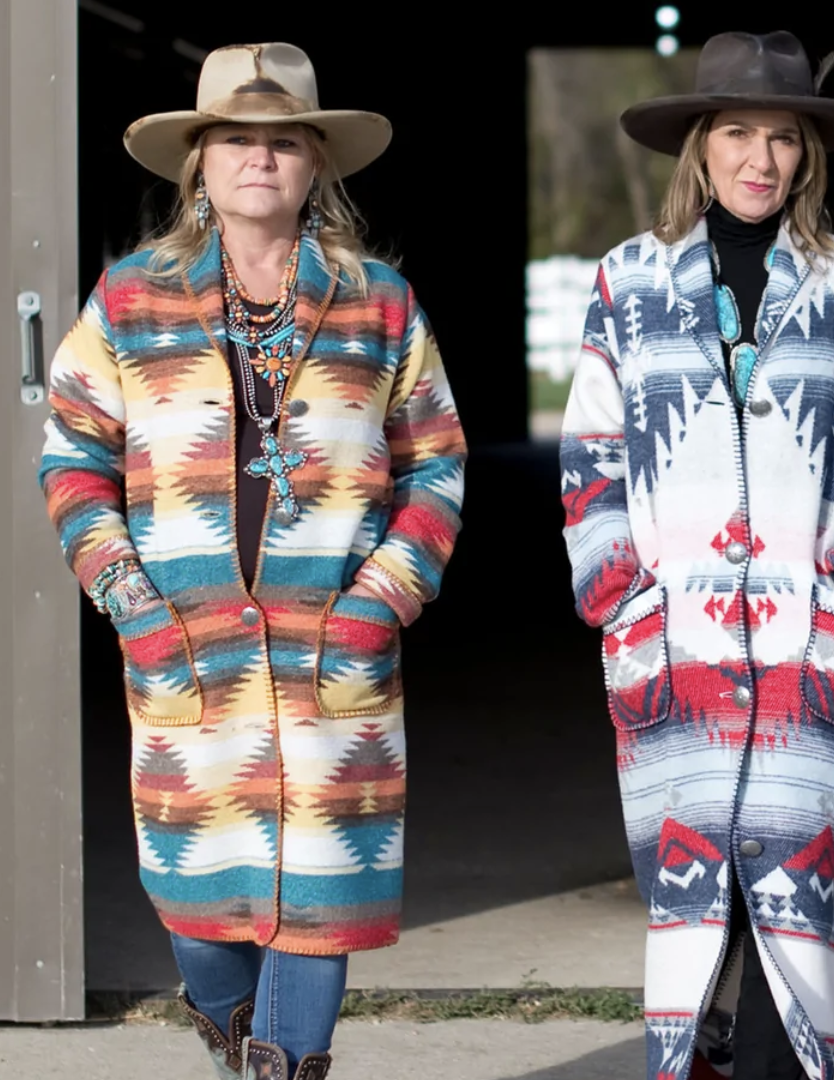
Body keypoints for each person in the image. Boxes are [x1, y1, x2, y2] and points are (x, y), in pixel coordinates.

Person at [38, 42, 466, 1080]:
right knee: (198, 914)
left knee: (318, 906)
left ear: (318, 163)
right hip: (186, 656)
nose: (260, 159)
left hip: (335, 659)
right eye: (237, 140)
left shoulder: (380, 304)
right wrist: (130, 600)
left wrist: (379, 603)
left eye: (283, 142)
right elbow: (72, 458)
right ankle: (230, 1025)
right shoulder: (132, 302)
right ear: (200, 162)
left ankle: (281, 1062)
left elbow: (436, 467)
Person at [559, 30, 834, 1080]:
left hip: (814, 647)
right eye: (736, 135)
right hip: (673, 647)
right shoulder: (628, 280)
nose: (759, 159)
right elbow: (590, 457)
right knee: (691, 908)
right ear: (699, 149)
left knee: (796, 920)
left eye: (782, 138)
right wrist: (623, 602)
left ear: (807, 154)